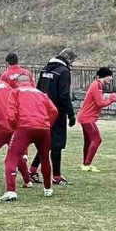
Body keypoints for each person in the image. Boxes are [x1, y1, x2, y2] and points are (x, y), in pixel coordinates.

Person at [0, 80, 58, 202]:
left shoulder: (15, 92)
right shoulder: (41, 94)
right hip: (43, 128)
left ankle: (11, 191)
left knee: (12, 157)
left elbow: (11, 113)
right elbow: (54, 111)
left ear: (17, 83)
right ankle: (48, 189)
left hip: (24, 127)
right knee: (45, 158)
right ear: (31, 82)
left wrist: (15, 127)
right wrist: (47, 124)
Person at [29, 48, 76, 185]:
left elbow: (37, 90)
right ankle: (56, 176)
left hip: (42, 111)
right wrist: (71, 114)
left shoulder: (45, 69)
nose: (72, 65)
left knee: (46, 142)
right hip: (56, 112)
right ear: (67, 59)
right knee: (57, 144)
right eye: (72, 61)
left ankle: (32, 170)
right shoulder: (63, 72)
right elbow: (64, 95)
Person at [77, 66, 116, 172]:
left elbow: (97, 101)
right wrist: (111, 99)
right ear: (104, 76)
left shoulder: (97, 84)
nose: (111, 78)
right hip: (87, 118)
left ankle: (85, 164)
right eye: (110, 76)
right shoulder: (97, 85)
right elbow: (100, 103)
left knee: (88, 141)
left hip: (84, 116)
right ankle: (87, 164)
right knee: (97, 139)